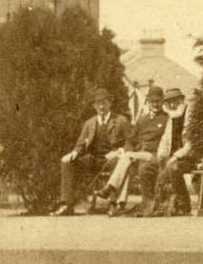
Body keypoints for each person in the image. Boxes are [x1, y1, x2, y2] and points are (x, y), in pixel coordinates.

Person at [52, 90, 129, 216]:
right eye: (98, 104)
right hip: (93, 160)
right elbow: (80, 144)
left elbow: (130, 142)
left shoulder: (121, 121)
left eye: (104, 103)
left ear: (110, 103)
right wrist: (74, 153)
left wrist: (119, 151)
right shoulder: (89, 123)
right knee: (67, 162)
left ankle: (114, 205)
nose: (101, 107)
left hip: (111, 160)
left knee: (121, 163)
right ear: (94, 106)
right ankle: (67, 204)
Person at [130, 87, 194, 217]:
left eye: (175, 101)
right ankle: (149, 203)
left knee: (173, 168)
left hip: (189, 157)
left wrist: (175, 156)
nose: (172, 104)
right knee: (147, 167)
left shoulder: (189, 115)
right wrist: (159, 158)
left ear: (181, 100)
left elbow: (191, 144)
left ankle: (184, 205)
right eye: (169, 101)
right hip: (172, 158)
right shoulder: (172, 117)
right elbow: (165, 141)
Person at [101, 85, 167, 208]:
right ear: (147, 102)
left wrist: (129, 153)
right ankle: (119, 204)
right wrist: (129, 150)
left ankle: (110, 187)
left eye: (158, 101)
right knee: (127, 164)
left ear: (163, 101)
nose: (155, 104)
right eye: (152, 101)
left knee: (127, 157)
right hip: (139, 156)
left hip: (154, 155)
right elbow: (130, 140)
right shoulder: (142, 120)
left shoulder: (167, 119)